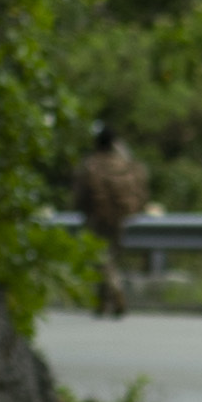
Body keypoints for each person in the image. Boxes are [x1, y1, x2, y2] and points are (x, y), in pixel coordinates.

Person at [71, 122, 149, 321]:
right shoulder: (124, 163)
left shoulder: (91, 164)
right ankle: (103, 304)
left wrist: (80, 210)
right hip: (121, 217)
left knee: (100, 259)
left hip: (97, 216)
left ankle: (115, 291)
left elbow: (80, 193)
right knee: (110, 257)